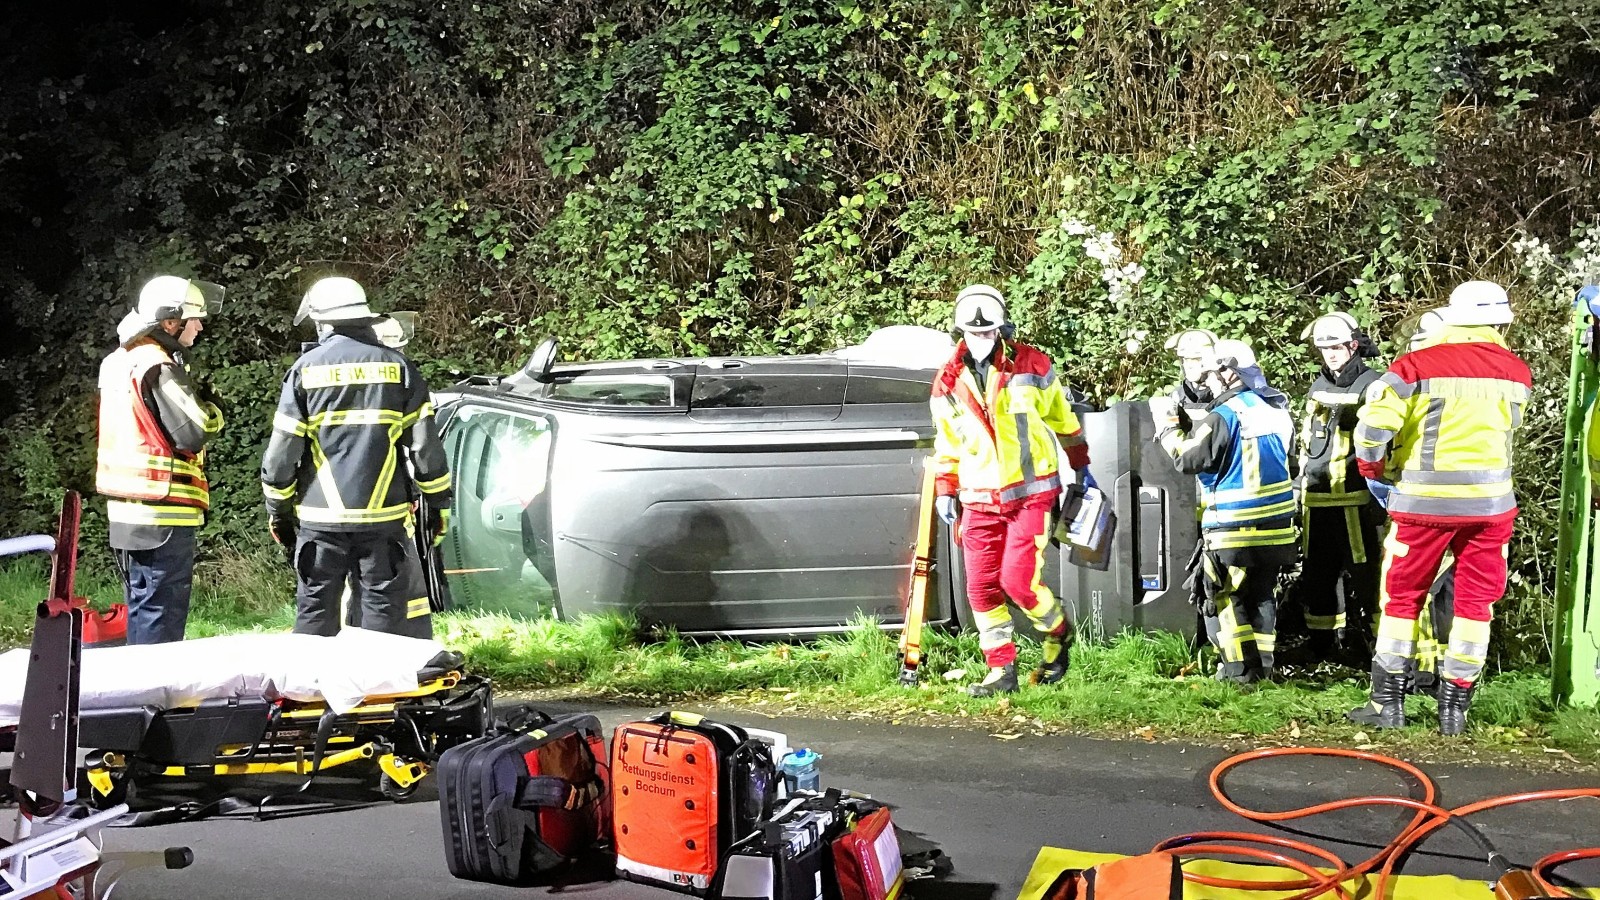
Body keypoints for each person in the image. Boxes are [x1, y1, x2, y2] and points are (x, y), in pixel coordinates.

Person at [1348, 281, 1531, 735]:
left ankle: (1387, 703)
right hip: (1491, 508)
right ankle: (1454, 711)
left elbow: (1371, 429)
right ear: (1498, 323)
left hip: (1423, 505)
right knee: (1475, 605)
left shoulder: (1415, 366)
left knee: (1402, 598)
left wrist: (1374, 472)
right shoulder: (1516, 371)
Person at [260, 277, 453, 638]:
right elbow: (425, 449)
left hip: (321, 520)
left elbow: (282, 454)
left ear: (323, 322)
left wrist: (278, 510)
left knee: (315, 610)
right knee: (382, 612)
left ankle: (311, 691)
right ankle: (375, 692)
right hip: (384, 519)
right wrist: (439, 504)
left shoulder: (305, 370)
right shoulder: (399, 368)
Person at [930, 284, 1097, 697]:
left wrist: (1082, 466)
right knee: (981, 587)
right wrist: (944, 490)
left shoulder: (1033, 365)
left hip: (1032, 494)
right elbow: (947, 443)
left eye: (989, 332)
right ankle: (1001, 670)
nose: (982, 338)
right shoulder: (948, 380)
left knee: (1019, 582)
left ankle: (1058, 633)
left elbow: (1064, 419)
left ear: (1002, 327)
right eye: (974, 332)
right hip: (978, 497)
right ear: (960, 331)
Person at [1150, 339, 1297, 684]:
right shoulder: (1276, 408)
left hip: (1235, 525)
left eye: (1213, 374)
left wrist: (1169, 427)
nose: (1207, 381)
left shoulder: (1225, 415)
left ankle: (1236, 671)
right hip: (1277, 524)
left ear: (1230, 375)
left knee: (1220, 596)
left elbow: (1188, 459)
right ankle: (1262, 666)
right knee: (1262, 595)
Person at [96, 275, 224, 644]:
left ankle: (136, 696)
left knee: (142, 606)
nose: (199, 326)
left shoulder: (120, 361)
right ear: (170, 321)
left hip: (127, 511)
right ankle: (158, 699)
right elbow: (194, 430)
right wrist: (215, 408)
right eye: (194, 318)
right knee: (161, 615)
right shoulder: (158, 363)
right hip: (162, 511)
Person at [1295, 311, 1384, 663]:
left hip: (1356, 501)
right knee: (1318, 574)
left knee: (1367, 577)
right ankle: (1322, 645)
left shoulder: (1373, 384)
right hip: (1317, 501)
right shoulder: (1318, 386)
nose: (1330, 354)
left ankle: (1381, 651)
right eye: (1324, 348)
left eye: (1336, 347)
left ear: (1353, 345)